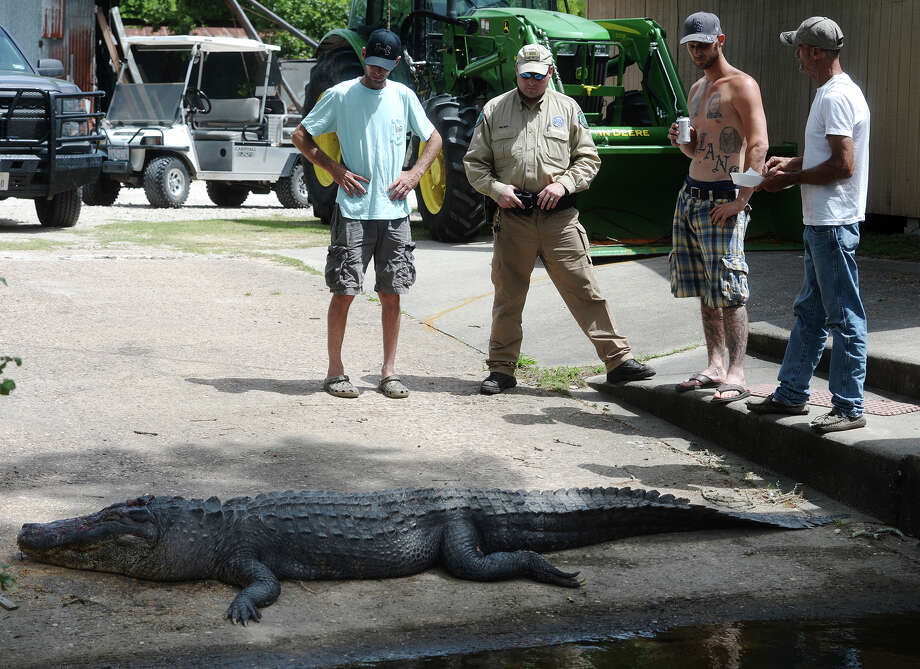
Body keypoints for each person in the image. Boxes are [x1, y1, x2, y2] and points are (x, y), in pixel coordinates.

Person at [463, 44, 654, 395]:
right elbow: (474, 164)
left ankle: (617, 361)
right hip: (513, 217)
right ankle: (502, 369)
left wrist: (565, 184)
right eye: (526, 75)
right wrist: (497, 190)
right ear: (516, 72)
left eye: (538, 75)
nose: (532, 81)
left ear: (550, 72)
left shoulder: (568, 108)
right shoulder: (494, 109)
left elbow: (588, 159)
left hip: (559, 219)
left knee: (585, 290)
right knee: (508, 297)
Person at [293, 29, 442, 399]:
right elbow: (301, 135)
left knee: (392, 293)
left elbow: (434, 138)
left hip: (394, 213)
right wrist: (334, 169)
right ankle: (334, 372)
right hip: (354, 212)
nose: (378, 71)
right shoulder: (341, 95)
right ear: (364, 56)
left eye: (386, 66)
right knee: (344, 291)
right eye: (373, 64)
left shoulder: (403, 96)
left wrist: (415, 174)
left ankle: (389, 373)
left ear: (396, 62)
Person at [747, 17, 870, 433]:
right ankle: (792, 393)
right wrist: (794, 162)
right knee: (811, 313)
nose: (796, 57)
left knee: (843, 316)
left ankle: (849, 406)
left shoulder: (834, 97)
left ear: (815, 52)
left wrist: (789, 178)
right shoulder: (836, 92)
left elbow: (842, 165)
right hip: (824, 222)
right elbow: (829, 154)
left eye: (799, 49)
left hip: (832, 222)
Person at [668, 12, 768, 404]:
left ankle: (737, 372)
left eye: (703, 45)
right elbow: (699, 149)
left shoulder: (742, 85)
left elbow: (758, 144)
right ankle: (714, 364)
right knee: (705, 289)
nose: (696, 52)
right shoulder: (696, 89)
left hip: (725, 197)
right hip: (692, 195)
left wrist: (742, 200)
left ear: (720, 40)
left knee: (729, 289)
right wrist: (682, 142)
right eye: (691, 45)